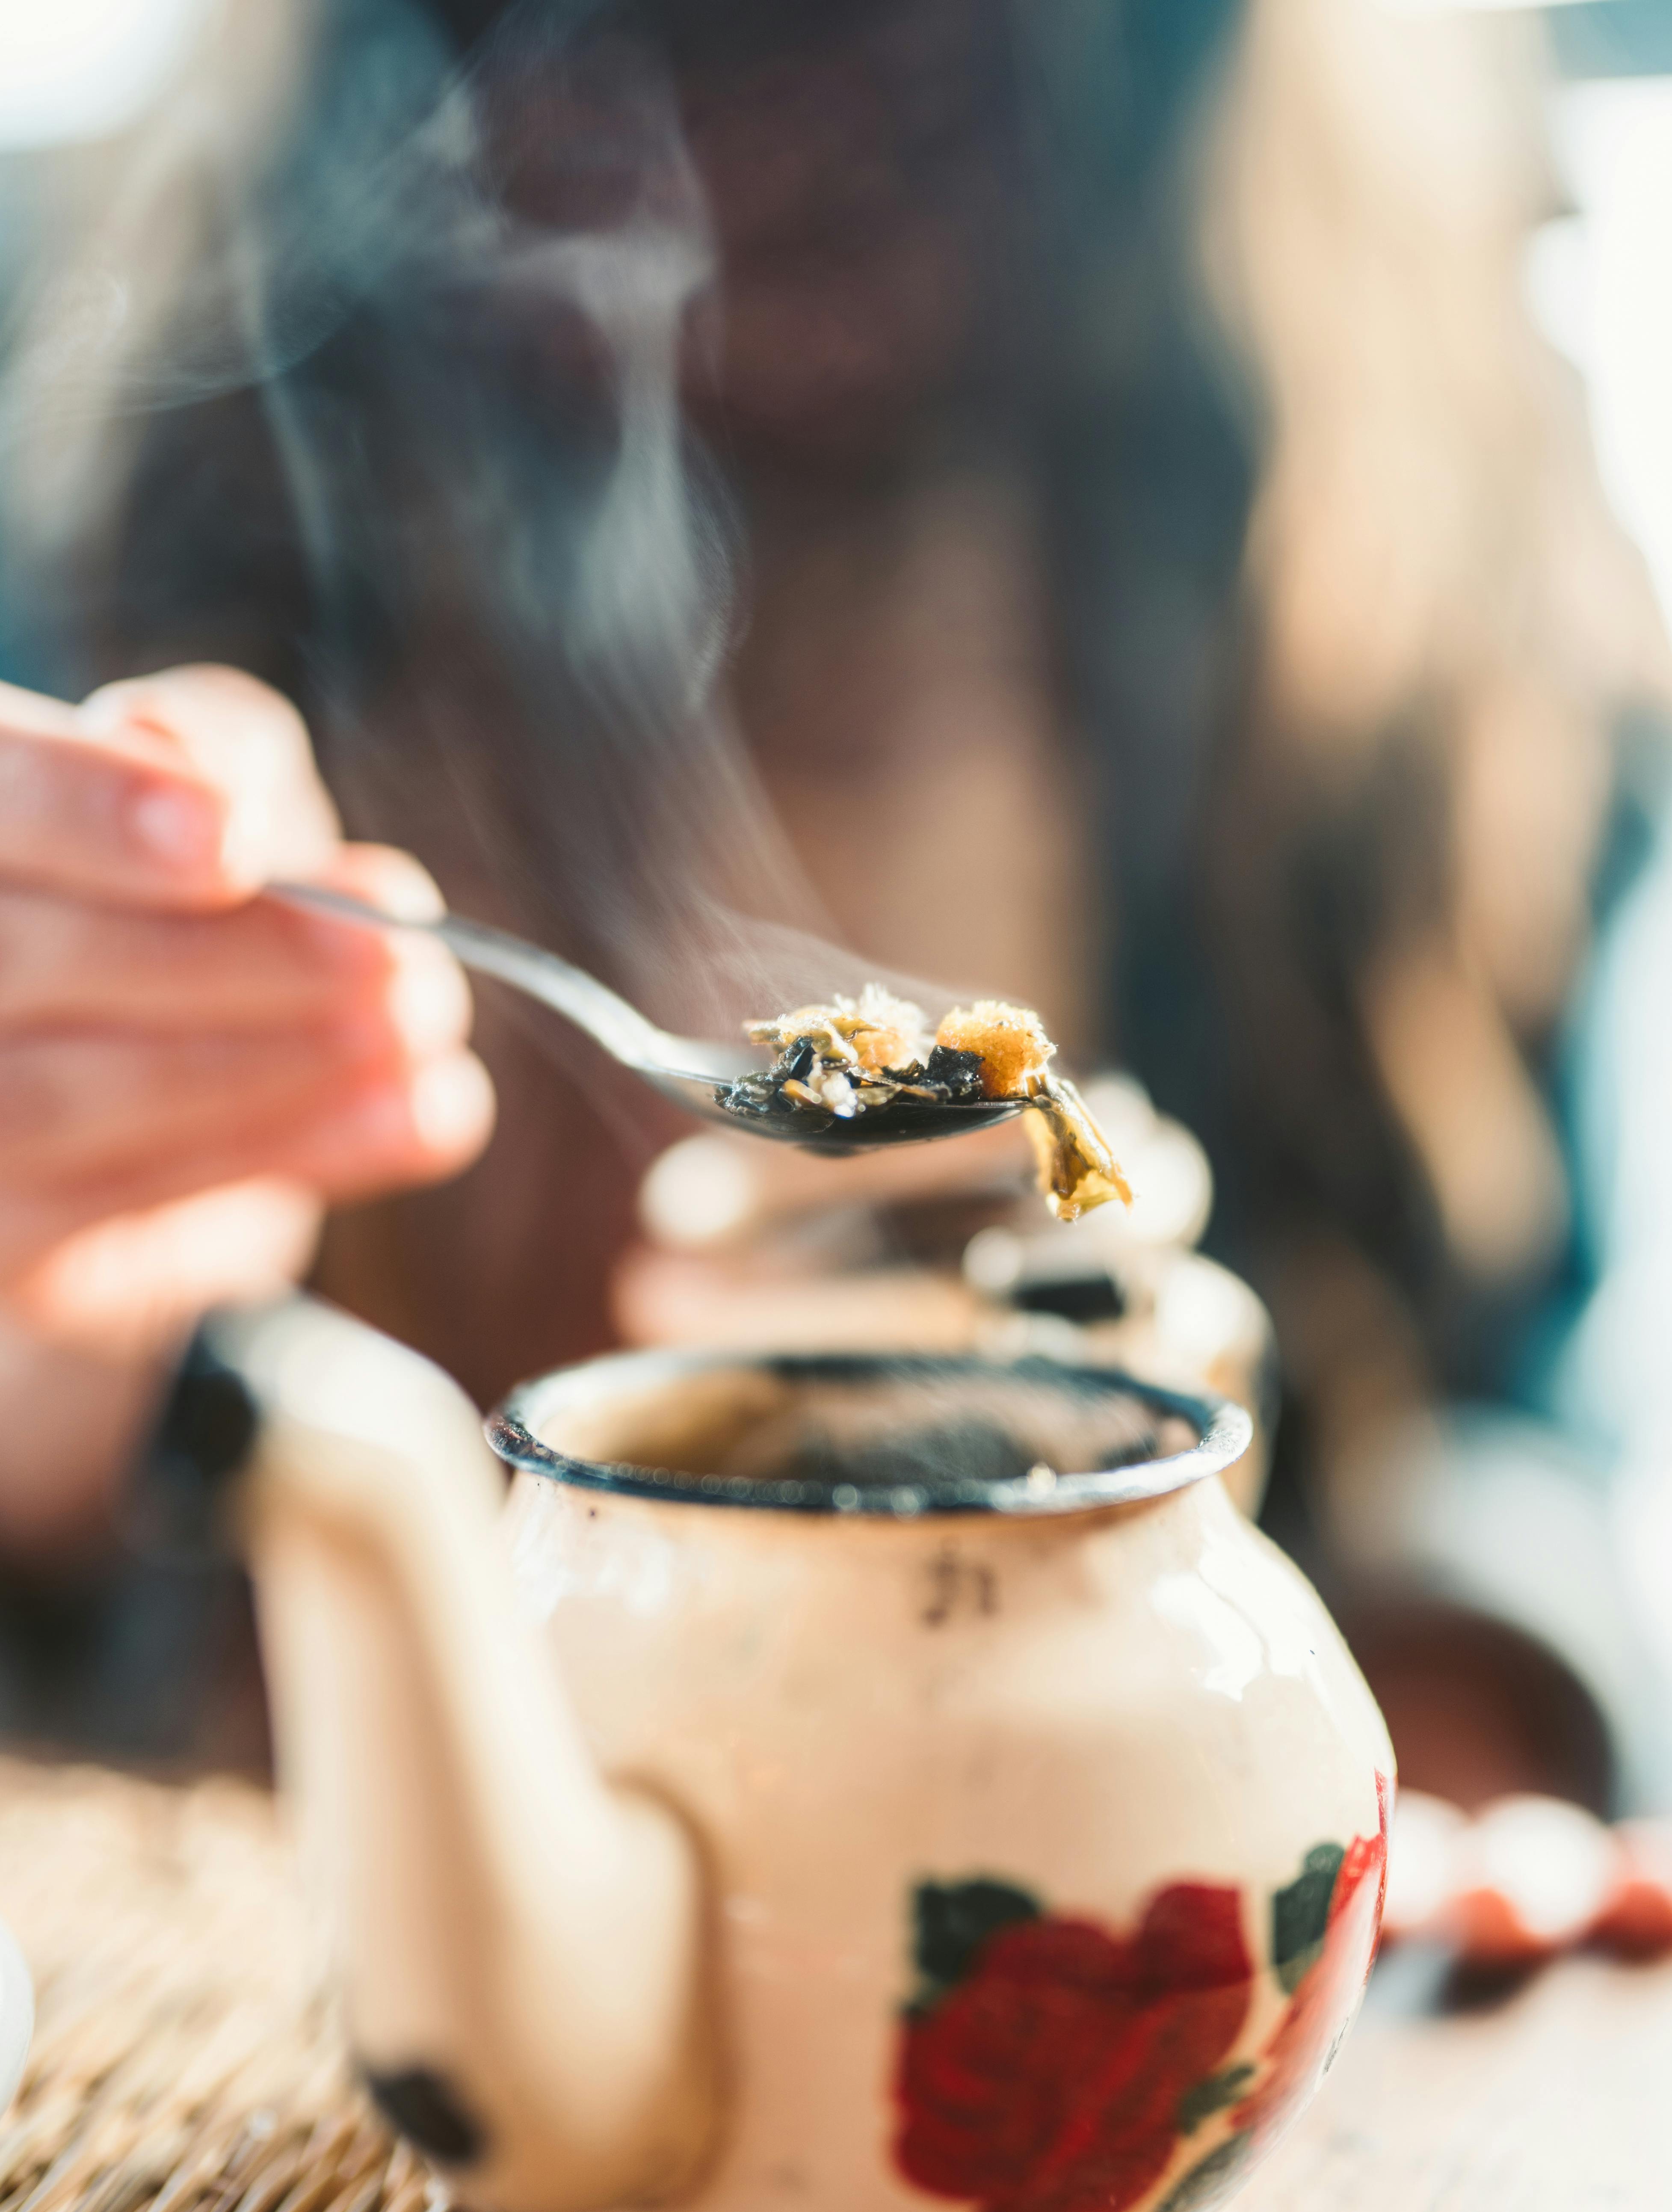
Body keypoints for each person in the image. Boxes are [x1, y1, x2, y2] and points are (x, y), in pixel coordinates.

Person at [0, 0, 1668, 1843]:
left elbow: (1514, 1393)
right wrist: (69, 1376)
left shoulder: (1422, 441)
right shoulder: (83, 360)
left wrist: (1438, 1736)